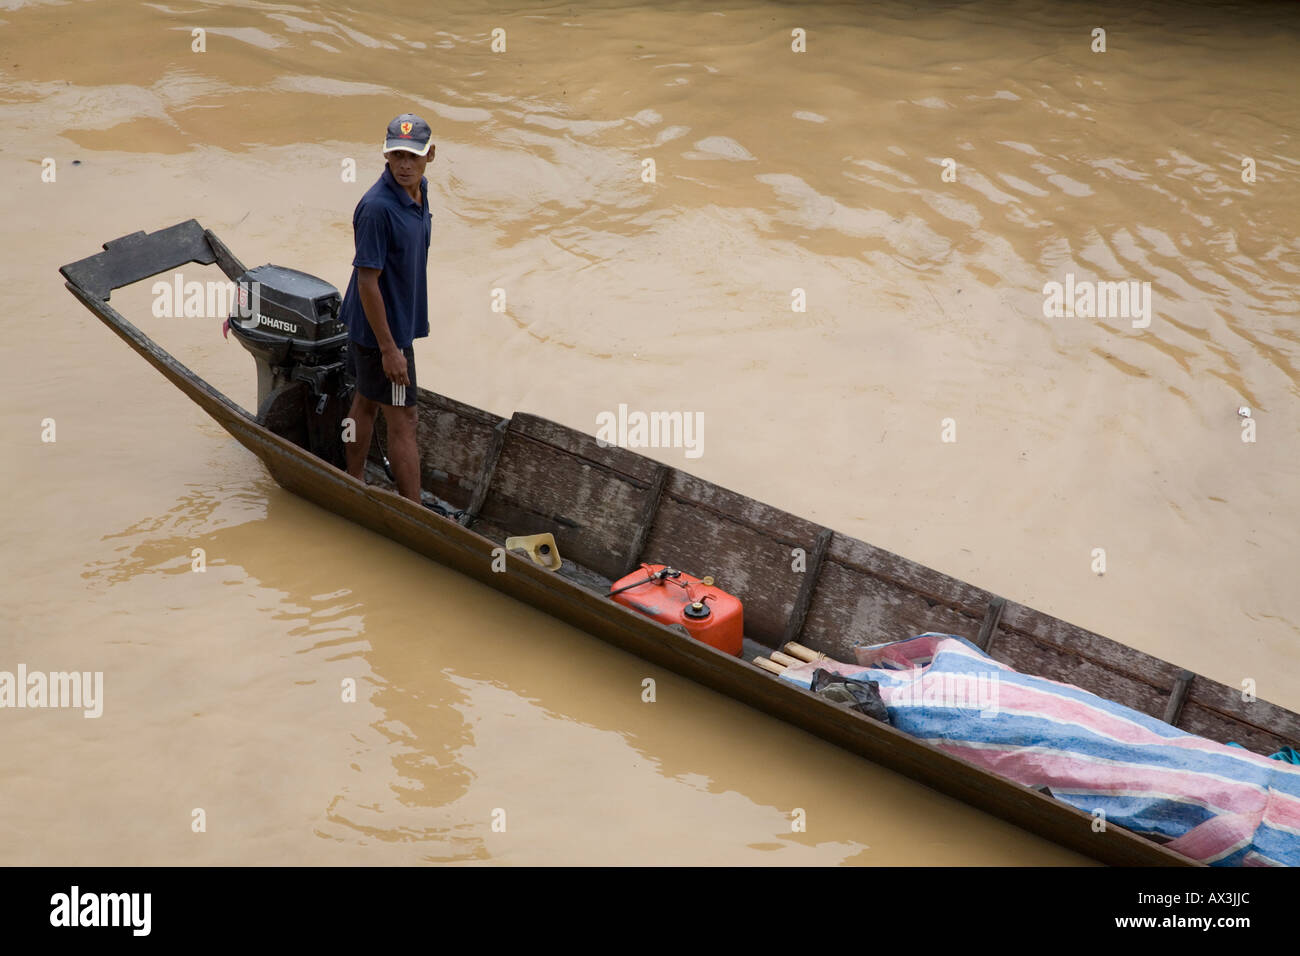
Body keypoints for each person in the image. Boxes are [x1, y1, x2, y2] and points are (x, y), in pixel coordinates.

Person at [340, 113, 434, 502]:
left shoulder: (419, 191)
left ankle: (353, 477)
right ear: (386, 155)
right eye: (397, 155)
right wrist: (390, 350)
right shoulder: (378, 208)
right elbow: (367, 280)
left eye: (413, 156)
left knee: (365, 398)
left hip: (393, 325)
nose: (405, 165)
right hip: (382, 332)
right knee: (404, 418)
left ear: (431, 155)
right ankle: (414, 512)